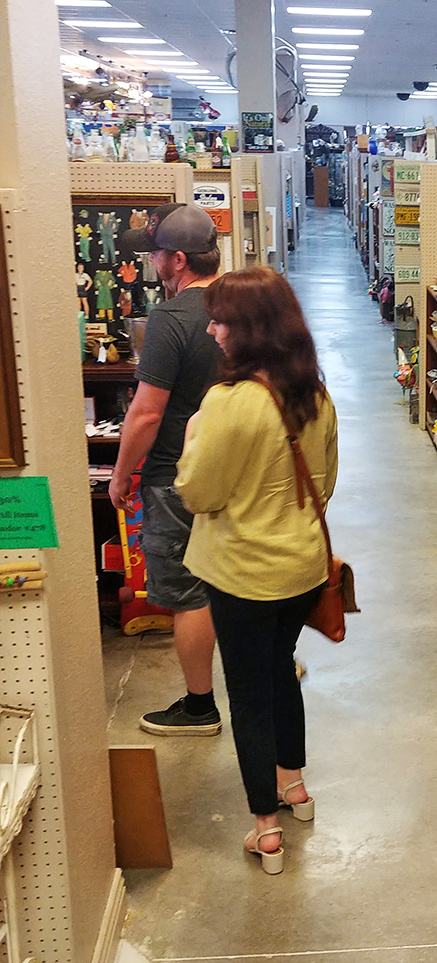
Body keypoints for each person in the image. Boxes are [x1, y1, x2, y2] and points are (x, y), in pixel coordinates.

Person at [174, 266, 338, 874]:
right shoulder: (314, 395)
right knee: (279, 674)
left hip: (242, 574)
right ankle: (294, 787)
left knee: (247, 694)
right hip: (302, 569)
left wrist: (193, 435)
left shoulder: (228, 403)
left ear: (251, 331)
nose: (212, 330)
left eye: (222, 321)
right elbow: (326, 481)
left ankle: (265, 828)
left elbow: (198, 492)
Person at [109, 203, 223, 737]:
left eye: (154, 253)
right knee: (233, 578)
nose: (151, 262)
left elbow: (147, 412)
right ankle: (268, 666)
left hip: (177, 474)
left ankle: (199, 706)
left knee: (186, 591)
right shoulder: (242, 307)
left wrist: (120, 474)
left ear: (178, 259)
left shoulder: (170, 320)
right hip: (236, 469)